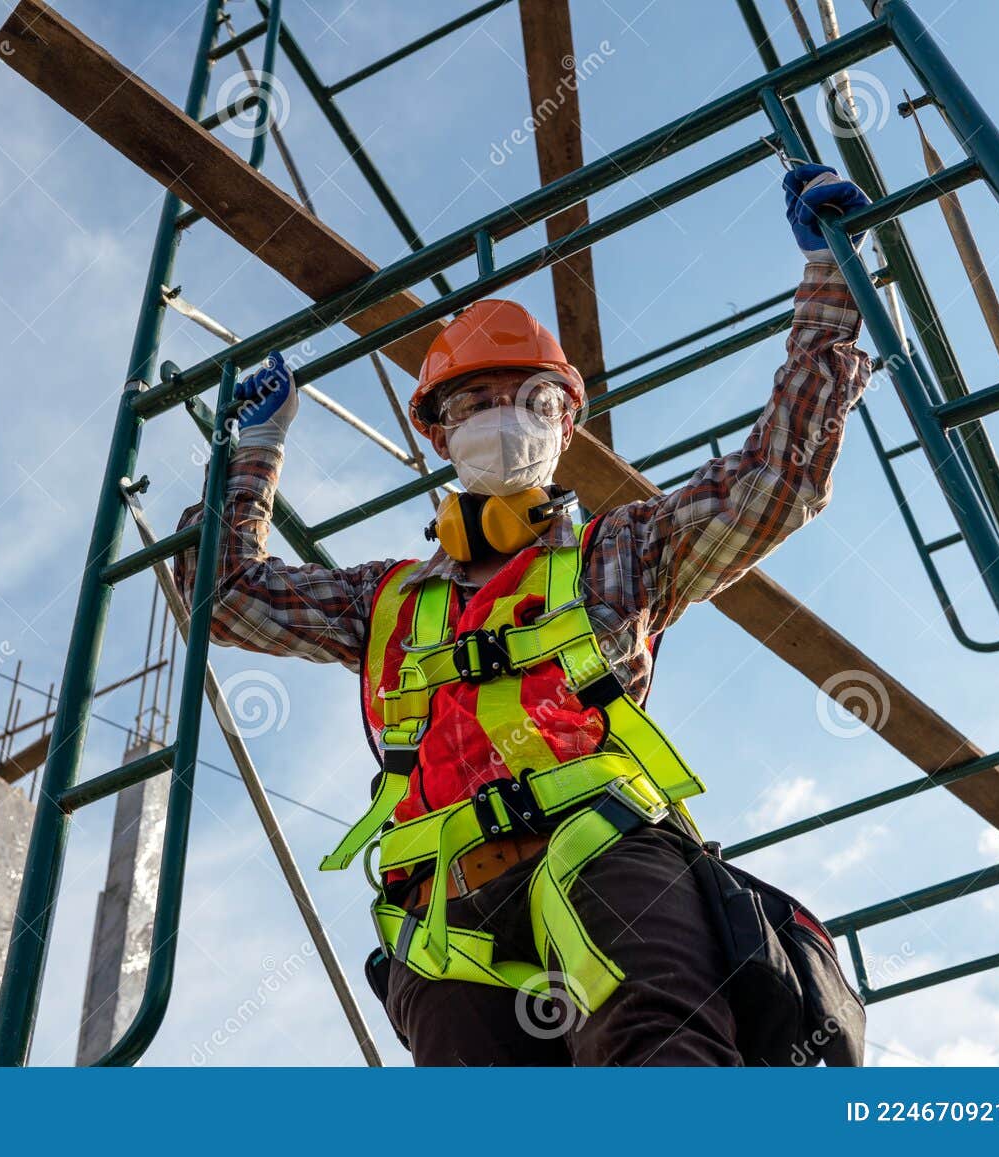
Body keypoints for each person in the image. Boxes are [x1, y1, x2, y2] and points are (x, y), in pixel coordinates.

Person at [176, 163, 874, 1065]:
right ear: (438, 432)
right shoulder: (384, 600)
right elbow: (226, 597)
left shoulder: (620, 555)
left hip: (607, 856)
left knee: (661, 1056)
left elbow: (771, 482)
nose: (504, 418)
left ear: (566, 426)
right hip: (443, 913)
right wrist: (251, 457)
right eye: (476, 401)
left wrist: (830, 292)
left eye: (532, 400)